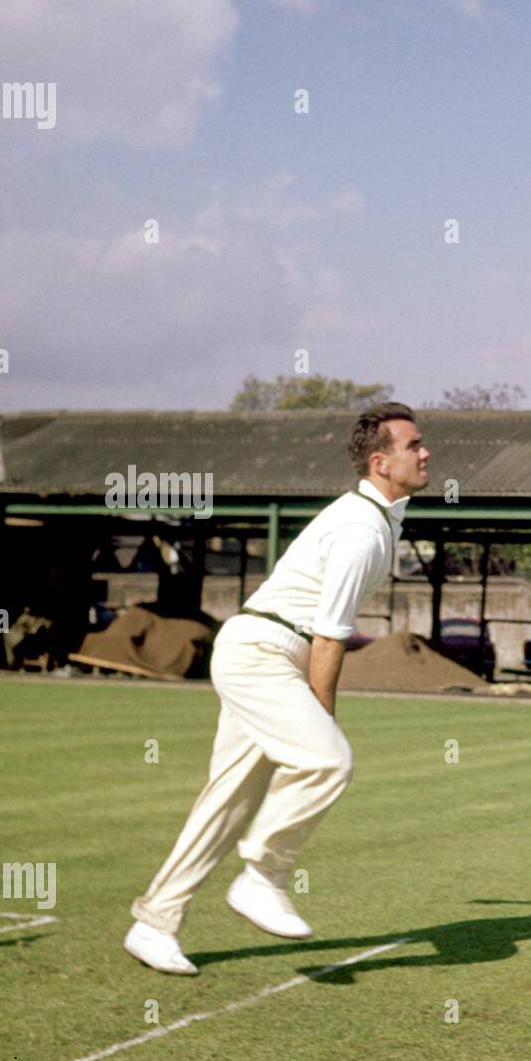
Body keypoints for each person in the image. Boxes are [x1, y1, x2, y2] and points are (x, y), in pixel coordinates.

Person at [124, 404, 429, 975]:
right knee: (328, 760)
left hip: (263, 649)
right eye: (414, 445)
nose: (426, 452)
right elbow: (330, 635)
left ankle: (154, 921)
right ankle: (263, 875)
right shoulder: (362, 528)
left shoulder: (378, 516)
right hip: (262, 653)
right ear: (381, 461)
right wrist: (324, 715)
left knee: (229, 798)